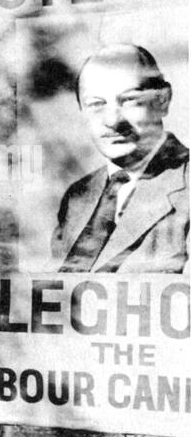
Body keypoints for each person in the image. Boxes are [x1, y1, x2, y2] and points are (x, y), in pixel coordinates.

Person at [52, 43, 188, 273]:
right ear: (81, 111)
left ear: (163, 100)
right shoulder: (77, 196)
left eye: (130, 100)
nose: (113, 121)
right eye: (96, 104)